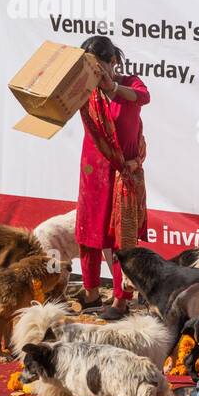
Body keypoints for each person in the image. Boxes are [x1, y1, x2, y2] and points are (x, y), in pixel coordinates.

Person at [76, 35, 149, 320]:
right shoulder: (85, 92)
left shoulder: (131, 85)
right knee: (89, 233)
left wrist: (113, 87)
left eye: (98, 66)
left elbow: (144, 97)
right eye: (89, 67)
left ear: (113, 61)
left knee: (122, 239)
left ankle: (121, 299)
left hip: (123, 172)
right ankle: (91, 293)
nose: (94, 72)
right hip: (93, 171)